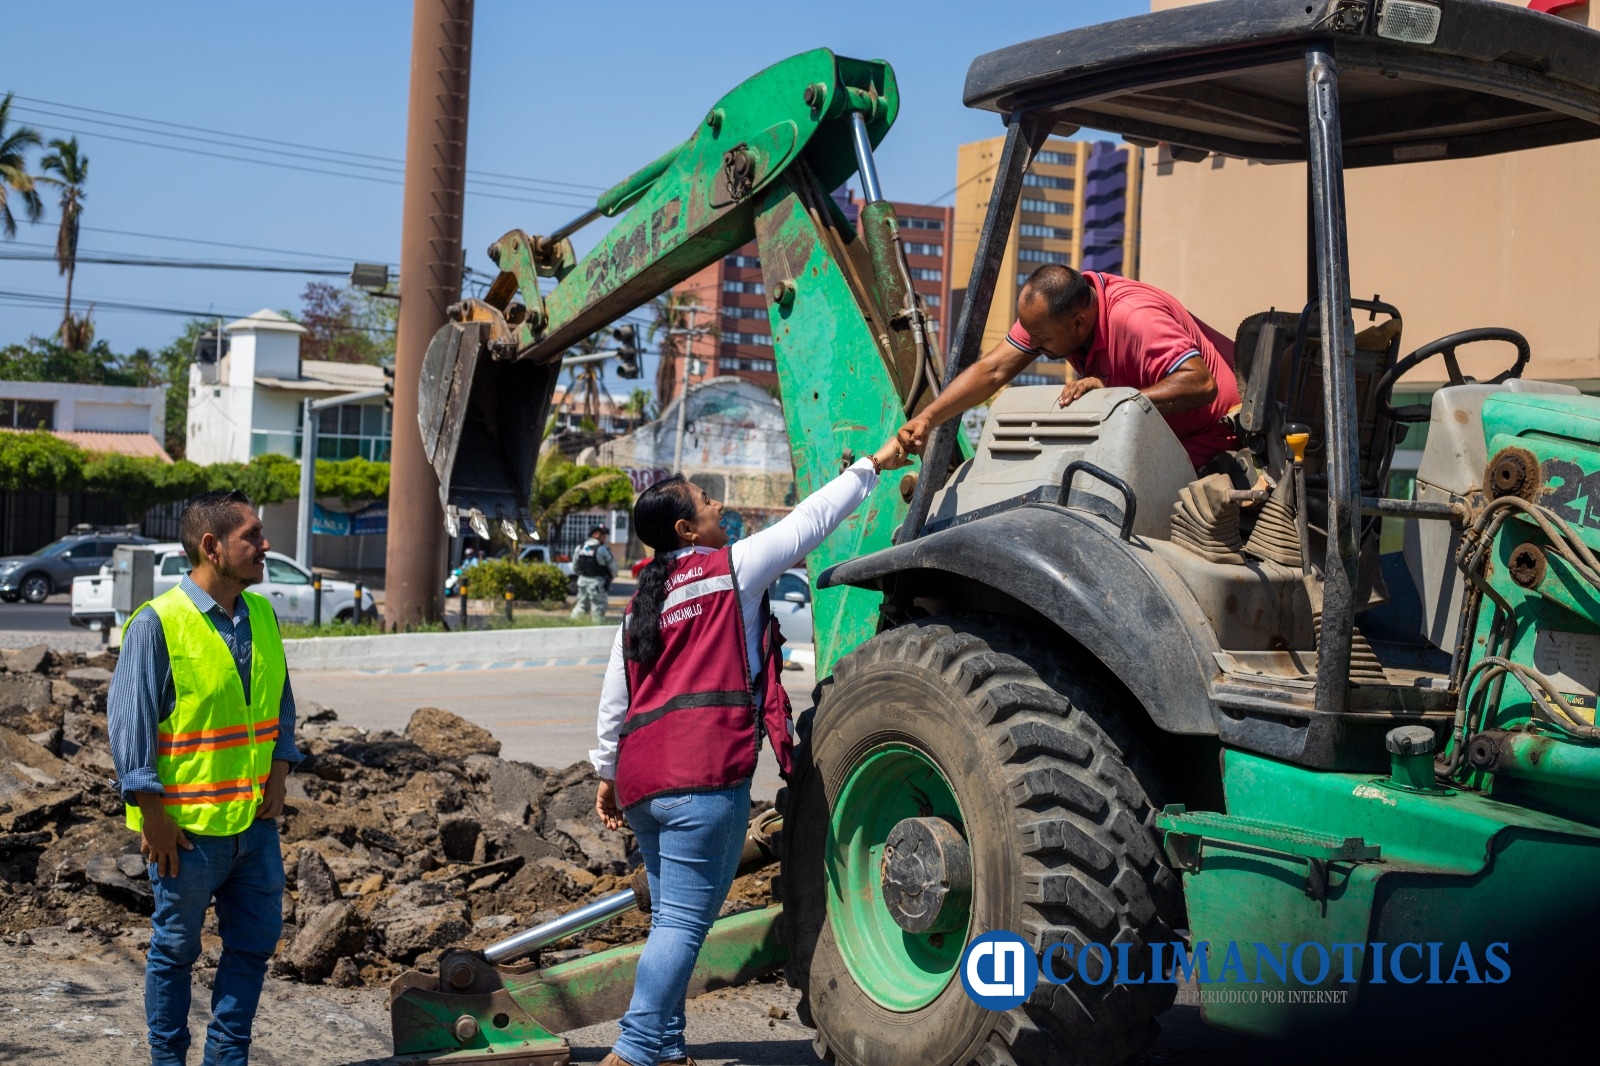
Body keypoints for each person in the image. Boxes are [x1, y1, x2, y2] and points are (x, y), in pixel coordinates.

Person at [591, 435, 910, 1066]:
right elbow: (810, 523)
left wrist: (606, 775)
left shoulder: (642, 605)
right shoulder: (728, 570)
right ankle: (630, 1052)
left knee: (669, 922)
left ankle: (666, 1047)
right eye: (708, 503)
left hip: (643, 781)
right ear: (686, 528)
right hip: (701, 777)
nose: (719, 509)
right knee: (684, 925)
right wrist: (873, 466)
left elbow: (614, 698)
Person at [108, 489, 302, 1066]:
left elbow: (281, 705)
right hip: (186, 836)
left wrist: (280, 770)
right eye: (253, 536)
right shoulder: (158, 624)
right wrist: (154, 817)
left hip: (254, 826)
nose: (265, 546)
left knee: (253, 946)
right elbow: (130, 729)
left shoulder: (262, 615)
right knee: (173, 953)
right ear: (212, 547)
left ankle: (226, 1059)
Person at [897, 264, 1242, 471]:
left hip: (1223, 433)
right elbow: (993, 370)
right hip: (1169, 437)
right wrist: (929, 418)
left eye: (1042, 338)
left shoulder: (1134, 319)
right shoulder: (1052, 317)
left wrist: (1113, 401)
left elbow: (1200, 384)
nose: (1033, 344)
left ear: (1078, 323)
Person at [571, 525, 617, 622]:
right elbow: (613, 567)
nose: (605, 538)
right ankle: (597, 627)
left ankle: (572, 623)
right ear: (596, 534)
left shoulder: (580, 547)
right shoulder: (602, 549)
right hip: (597, 583)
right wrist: (612, 576)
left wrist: (582, 575)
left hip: (582, 581)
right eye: (603, 535)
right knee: (598, 607)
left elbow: (575, 566)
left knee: (581, 604)